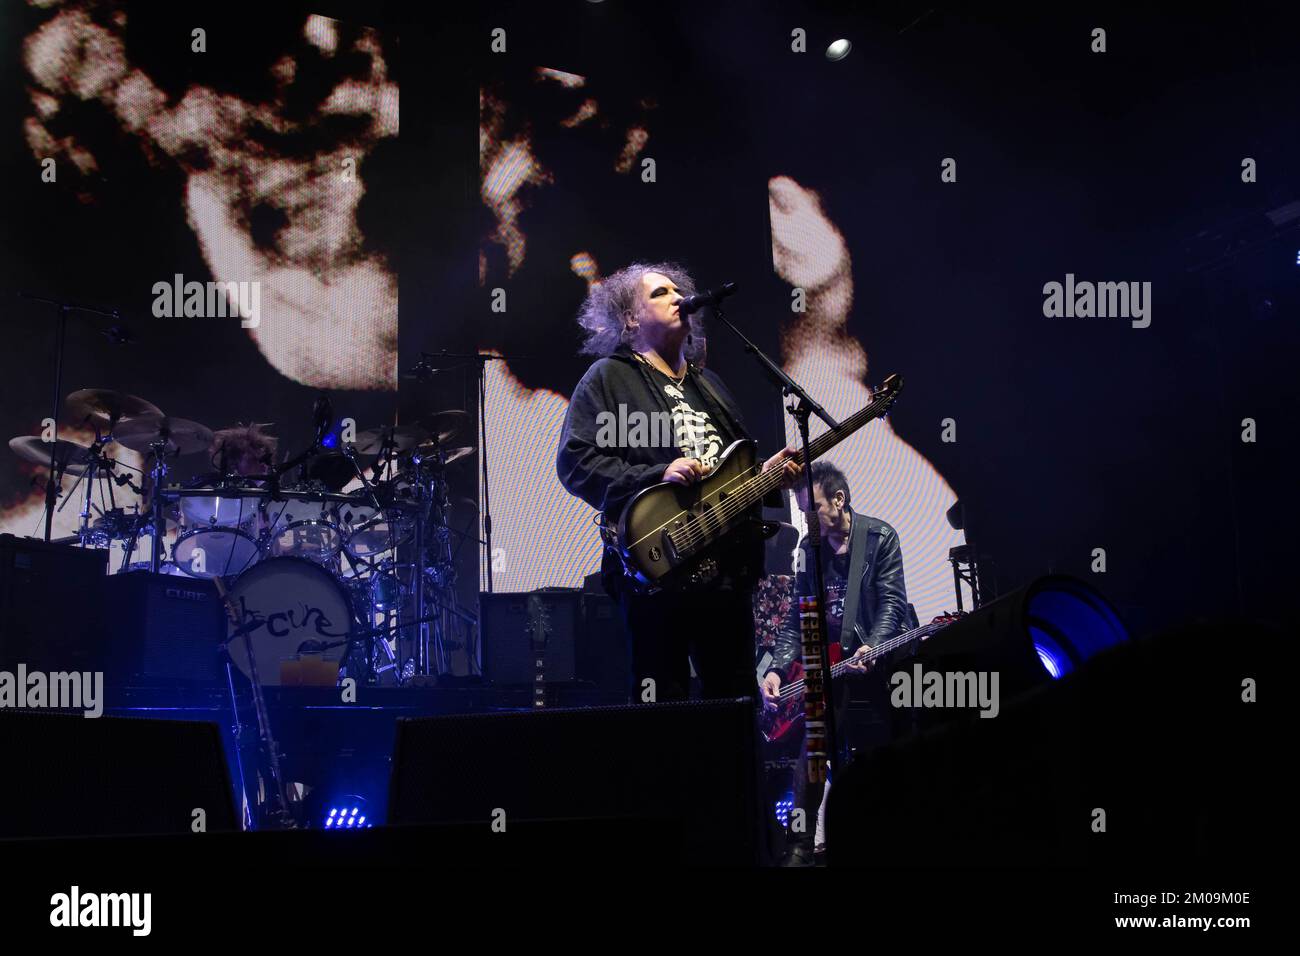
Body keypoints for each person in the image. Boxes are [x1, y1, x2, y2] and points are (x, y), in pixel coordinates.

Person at [556, 261, 802, 702]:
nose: (677, 298)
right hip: (659, 563)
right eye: (659, 293)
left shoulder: (711, 386)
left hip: (725, 567)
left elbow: (730, 468)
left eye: (677, 290)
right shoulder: (610, 378)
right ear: (630, 319)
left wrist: (767, 474)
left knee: (733, 697)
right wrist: (656, 475)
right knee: (661, 695)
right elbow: (576, 461)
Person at [760, 459, 911, 863]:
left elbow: (892, 602)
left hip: (877, 664)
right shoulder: (810, 552)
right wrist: (776, 667)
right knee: (811, 754)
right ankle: (798, 845)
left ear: (839, 500)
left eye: (812, 508)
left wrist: (873, 645)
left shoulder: (879, 538)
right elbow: (797, 616)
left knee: (882, 750)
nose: (805, 518)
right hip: (829, 669)